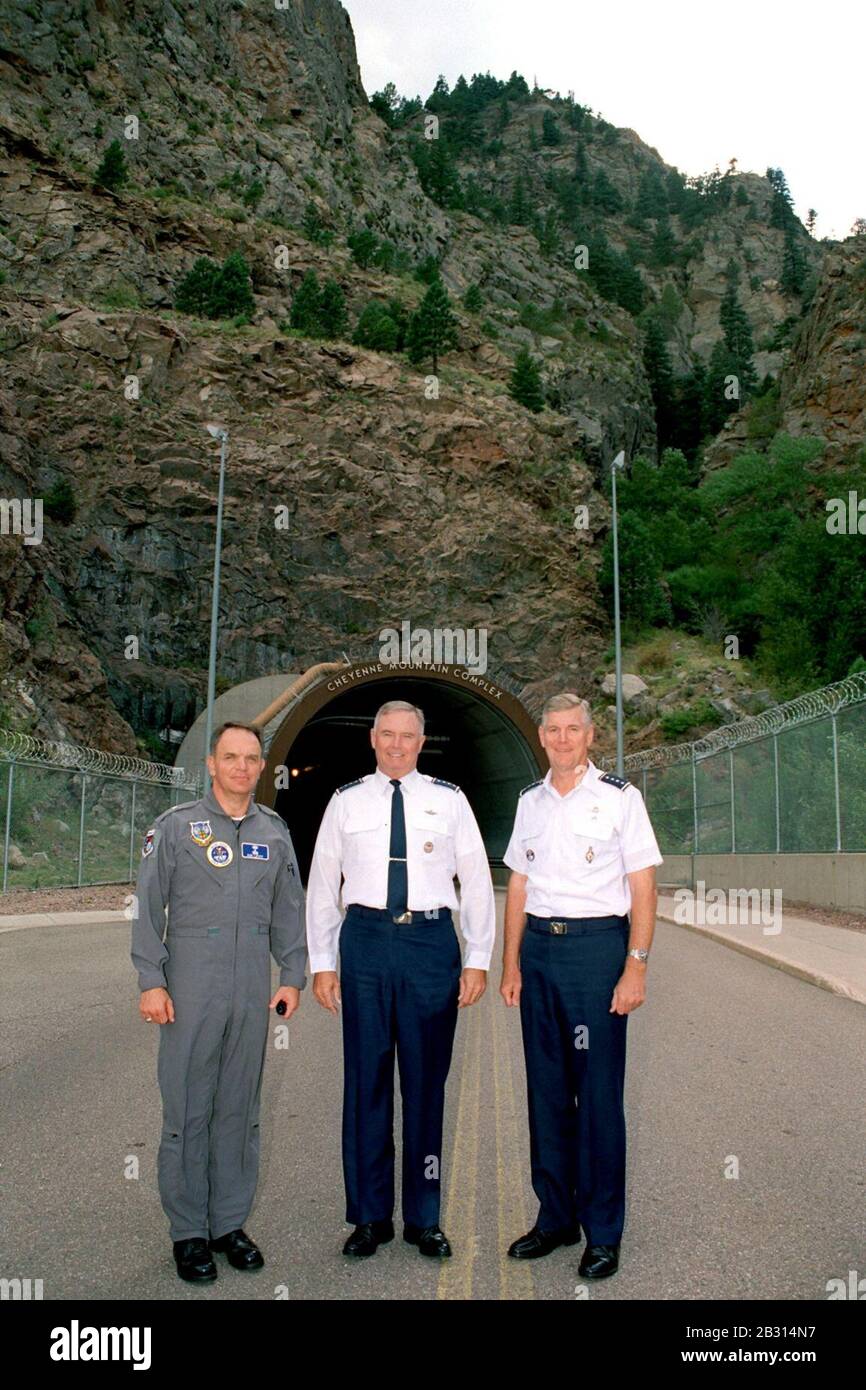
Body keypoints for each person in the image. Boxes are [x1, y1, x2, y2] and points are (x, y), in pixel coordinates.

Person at [306, 699, 495, 1258]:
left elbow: (477, 881)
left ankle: (424, 1217)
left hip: (429, 944)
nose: (396, 745)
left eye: (406, 736)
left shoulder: (450, 800)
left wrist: (477, 956)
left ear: (421, 740)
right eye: (386, 734)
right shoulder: (344, 802)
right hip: (363, 940)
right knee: (365, 1085)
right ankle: (369, 1217)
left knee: (425, 1086)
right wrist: (322, 963)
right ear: (372, 737)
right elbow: (322, 884)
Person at [131, 722, 306, 1283]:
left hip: (250, 990)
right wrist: (150, 980)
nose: (240, 767)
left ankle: (229, 1224)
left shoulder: (275, 833)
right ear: (211, 764)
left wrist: (293, 974)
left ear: (261, 766)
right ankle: (188, 1233)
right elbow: (147, 907)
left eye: (250, 758)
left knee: (239, 1109)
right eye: (229, 757)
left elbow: (288, 911)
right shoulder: (177, 828)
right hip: (190, 987)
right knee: (187, 1110)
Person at [500, 693, 662, 1279]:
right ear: (542, 737)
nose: (563, 739)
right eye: (553, 730)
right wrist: (510, 963)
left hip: (598, 953)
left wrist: (635, 964)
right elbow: (518, 884)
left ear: (590, 737)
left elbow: (642, 886)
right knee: (546, 1094)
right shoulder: (529, 802)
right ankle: (556, 1217)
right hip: (540, 952)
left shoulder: (621, 798)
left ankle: (603, 1231)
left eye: (574, 730)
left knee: (596, 1098)